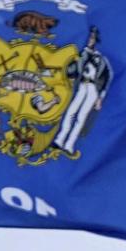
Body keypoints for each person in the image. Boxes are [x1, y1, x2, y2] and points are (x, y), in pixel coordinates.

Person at [53, 29, 113, 157]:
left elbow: (107, 77)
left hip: (93, 89)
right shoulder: (83, 55)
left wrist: (100, 97)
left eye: (92, 39)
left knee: (81, 117)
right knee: (70, 112)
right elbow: (74, 69)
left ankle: (69, 145)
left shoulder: (101, 59)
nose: (90, 41)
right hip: (82, 86)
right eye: (89, 38)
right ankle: (60, 139)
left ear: (96, 41)